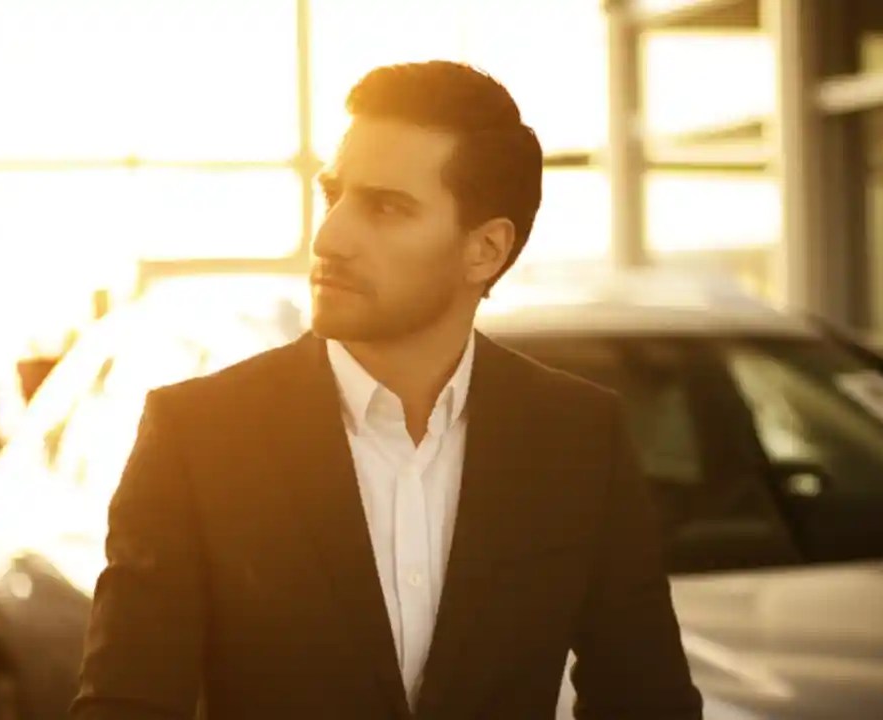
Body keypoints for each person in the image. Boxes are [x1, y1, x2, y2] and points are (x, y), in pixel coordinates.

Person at [72, 61, 701, 720]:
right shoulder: (198, 437)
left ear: (485, 249)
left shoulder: (578, 437)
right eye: (334, 195)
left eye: (387, 207)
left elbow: (647, 701)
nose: (328, 236)